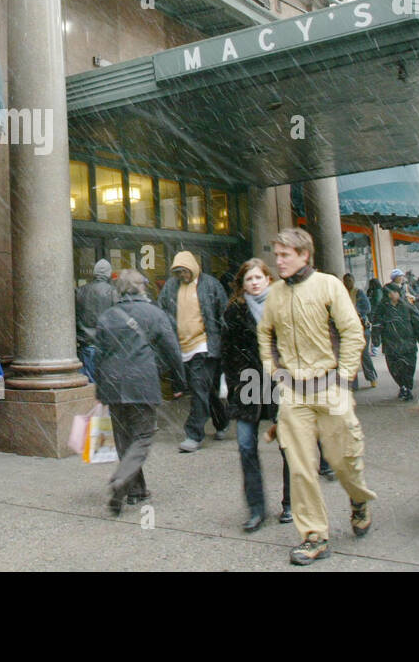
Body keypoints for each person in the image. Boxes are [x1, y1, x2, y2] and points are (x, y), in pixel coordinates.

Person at [257, 228, 376, 566]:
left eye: (285, 255)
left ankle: (358, 499)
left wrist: (344, 376)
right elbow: (265, 334)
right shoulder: (275, 294)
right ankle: (313, 535)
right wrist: (273, 371)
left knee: (344, 461)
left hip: (330, 388)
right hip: (294, 394)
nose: (278, 261)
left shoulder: (328, 286)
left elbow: (353, 331)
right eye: (276, 255)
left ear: (304, 255)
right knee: (300, 467)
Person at [93, 269, 185, 515]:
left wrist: (101, 386)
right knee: (142, 436)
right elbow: (172, 351)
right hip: (141, 382)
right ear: (142, 287)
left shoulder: (108, 316)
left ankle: (136, 491)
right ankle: (122, 480)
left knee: (124, 439)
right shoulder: (154, 314)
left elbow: (98, 355)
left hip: (113, 383)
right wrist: (179, 381)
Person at [222, 259, 292, 532]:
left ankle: (290, 503)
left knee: (288, 446)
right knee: (246, 446)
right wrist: (232, 385)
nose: (253, 283)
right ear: (242, 284)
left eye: (258, 277)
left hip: (280, 382)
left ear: (268, 279)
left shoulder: (283, 306)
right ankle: (256, 508)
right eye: (248, 279)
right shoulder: (234, 312)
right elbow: (226, 353)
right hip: (246, 386)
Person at [158, 251, 229, 451]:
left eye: (185, 271)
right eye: (178, 272)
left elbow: (223, 313)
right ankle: (222, 421)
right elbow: (162, 310)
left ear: (193, 267)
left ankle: (193, 434)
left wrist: (221, 342)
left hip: (204, 346)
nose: (182, 275)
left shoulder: (211, 285)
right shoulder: (171, 287)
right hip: (182, 347)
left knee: (199, 389)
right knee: (205, 391)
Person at [375, 282, 419, 401]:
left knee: (409, 367)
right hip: (391, 343)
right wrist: (376, 338)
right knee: (394, 368)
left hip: (408, 342)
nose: (391, 295)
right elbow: (377, 323)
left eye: (393, 292)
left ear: (398, 293)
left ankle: (406, 387)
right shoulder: (382, 308)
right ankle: (403, 386)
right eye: (389, 293)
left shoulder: (407, 306)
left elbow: (417, 323)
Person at [74, 259, 117, 383]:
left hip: (85, 343)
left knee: (88, 381)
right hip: (104, 344)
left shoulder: (80, 291)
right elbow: (116, 318)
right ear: (108, 274)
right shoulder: (112, 292)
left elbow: (75, 316)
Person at [343, 273, 377, 391]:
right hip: (348, 328)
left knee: (364, 354)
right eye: (346, 280)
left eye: (349, 280)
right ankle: (354, 384)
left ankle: (372, 377)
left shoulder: (358, 293)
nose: (348, 283)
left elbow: (367, 308)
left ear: (353, 280)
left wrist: (355, 312)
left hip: (362, 327)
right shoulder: (342, 294)